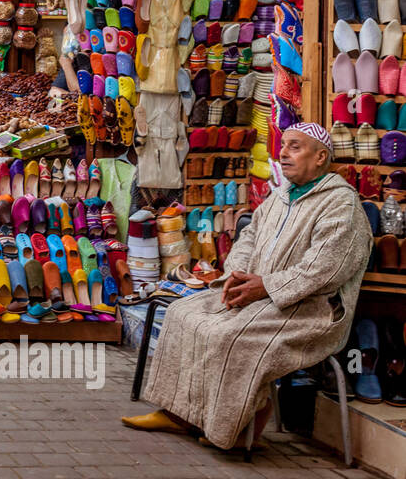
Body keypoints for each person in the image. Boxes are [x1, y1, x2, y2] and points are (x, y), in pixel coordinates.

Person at [124, 124, 372, 451]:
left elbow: (326, 269)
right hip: (260, 294)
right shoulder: (281, 195)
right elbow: (249, 237)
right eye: (283, 145)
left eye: (295, 147)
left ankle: (237, 429)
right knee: (183, 313)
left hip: (311, 308)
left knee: (231, 336)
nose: (283, 153)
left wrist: (266, 285)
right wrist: (237, 273)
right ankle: (179, 413)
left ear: (320, 157)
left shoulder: (341, 204)